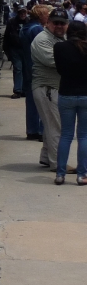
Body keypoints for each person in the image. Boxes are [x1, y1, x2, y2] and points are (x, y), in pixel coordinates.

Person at [32, 8, 69, 170]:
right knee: (56, 127)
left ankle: (47, 157)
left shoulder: (62, 38)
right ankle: (58, 163)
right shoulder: (42, 39)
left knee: (51, 124)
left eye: (62, 23)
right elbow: (54, 61)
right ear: (48, 23)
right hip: (46, 88)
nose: (59, 26)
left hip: (55, 88)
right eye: (55, 23)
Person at [54, 20, 87, 185]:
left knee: (66, 135)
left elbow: (60, 70)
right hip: (85, 94)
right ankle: (82, 175)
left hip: (66, 93)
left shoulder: (59, 47)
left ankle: (60, 174)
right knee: (84, 136)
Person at [21, 5, 47, 141]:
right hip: (37, 68)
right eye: (46, 14)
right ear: (40, 15)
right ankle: (42, 131)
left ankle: (32, 130)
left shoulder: (25, 28)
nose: (48, 16)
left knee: (31, 100)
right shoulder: (37, 29)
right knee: (43, 100)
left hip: (27, 66)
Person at [4, 6, 28, 98]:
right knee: (18, 68)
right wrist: (7, 51)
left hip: (26, 49)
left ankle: (24, 90)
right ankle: (17, 90)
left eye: (24, 12)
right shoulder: (11, 22)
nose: (22, 14)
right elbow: (6, 37)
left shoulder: (29, 22)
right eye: (21, 12)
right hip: (14, 49)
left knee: (25, 69)